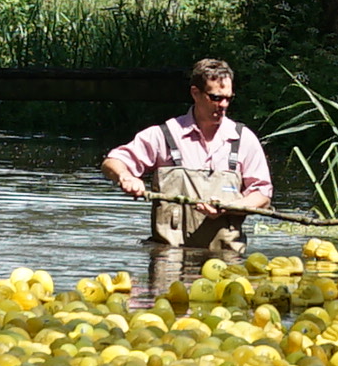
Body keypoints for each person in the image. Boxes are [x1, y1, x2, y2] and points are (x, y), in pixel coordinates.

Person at [103, 58, 273, 301]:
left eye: (228, 98)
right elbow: (113, 161)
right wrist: (127, 177)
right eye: (215, 98)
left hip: (227, 262)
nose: (223, 105)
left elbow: (263, 194)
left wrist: (234, 206)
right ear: (195, 92)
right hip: (168, 262)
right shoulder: (164, 135)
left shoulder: (243, 139)